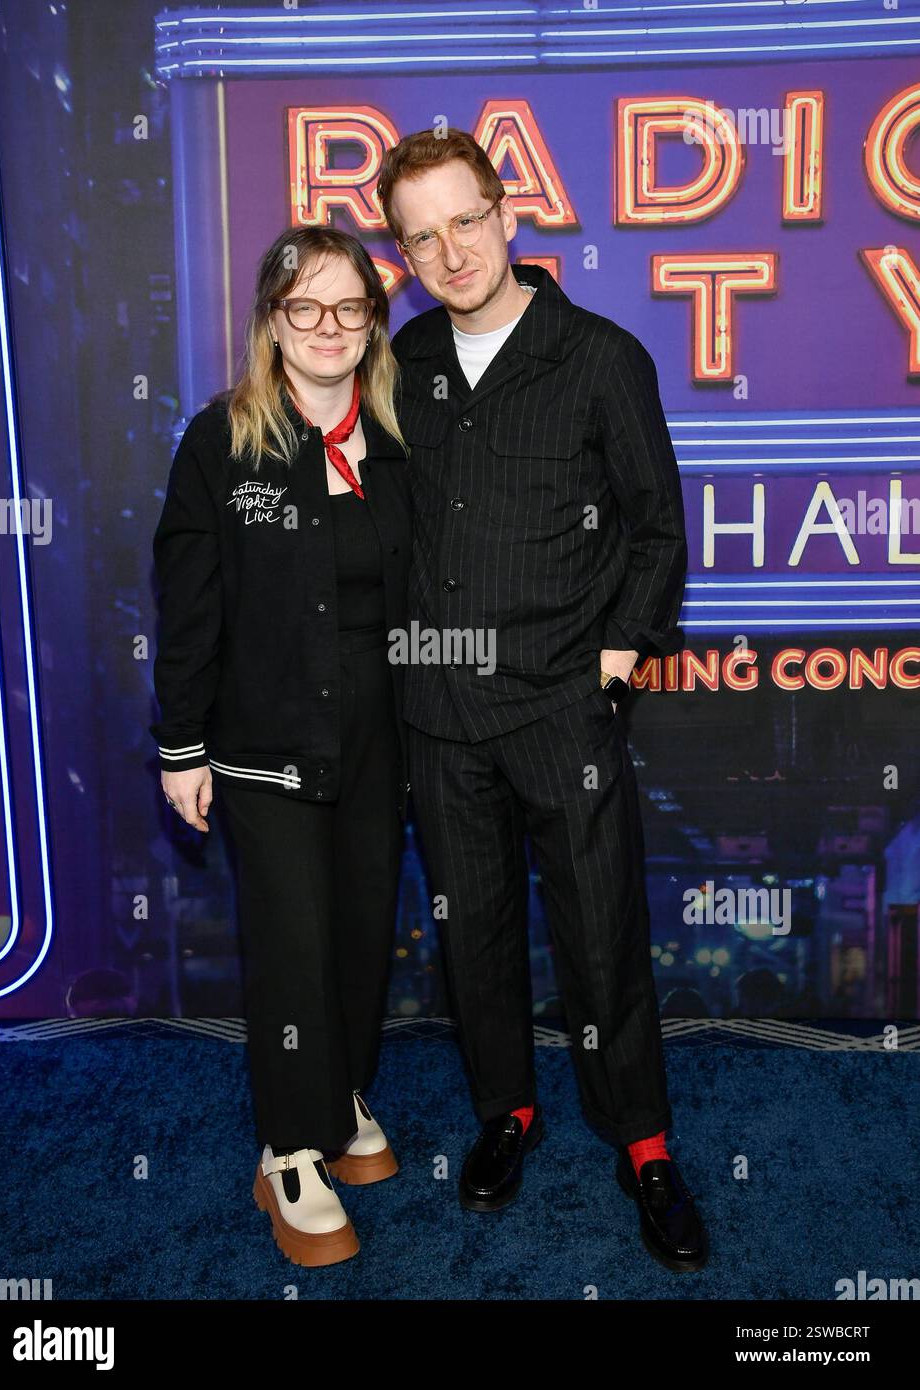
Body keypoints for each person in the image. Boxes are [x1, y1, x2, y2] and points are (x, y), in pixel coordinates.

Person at [377, 130, 708, 1272]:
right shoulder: (403, 360)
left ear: (506, 211)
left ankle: (646, 1143)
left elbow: (658, 528)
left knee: (603, 931)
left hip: (565, 703)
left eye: (465, 219)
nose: (449, 250)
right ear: (405, 251)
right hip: (435, 710)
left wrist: (615, 661)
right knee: (473, 935)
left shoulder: (601, 357)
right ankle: (503, 1114)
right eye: (421, 235)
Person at [149, 226, 412, 1268]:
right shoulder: (221, 442)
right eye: (306, 307)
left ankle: (339, 1091)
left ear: (373, 324)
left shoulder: (397, 440)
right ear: (271, 319)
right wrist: (181, 748)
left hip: (376, 741)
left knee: (358, 928)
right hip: (260, 744)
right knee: (294, 940)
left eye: (351, 308)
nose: (329, 328)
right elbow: (187, 610)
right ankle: (288, 1146)